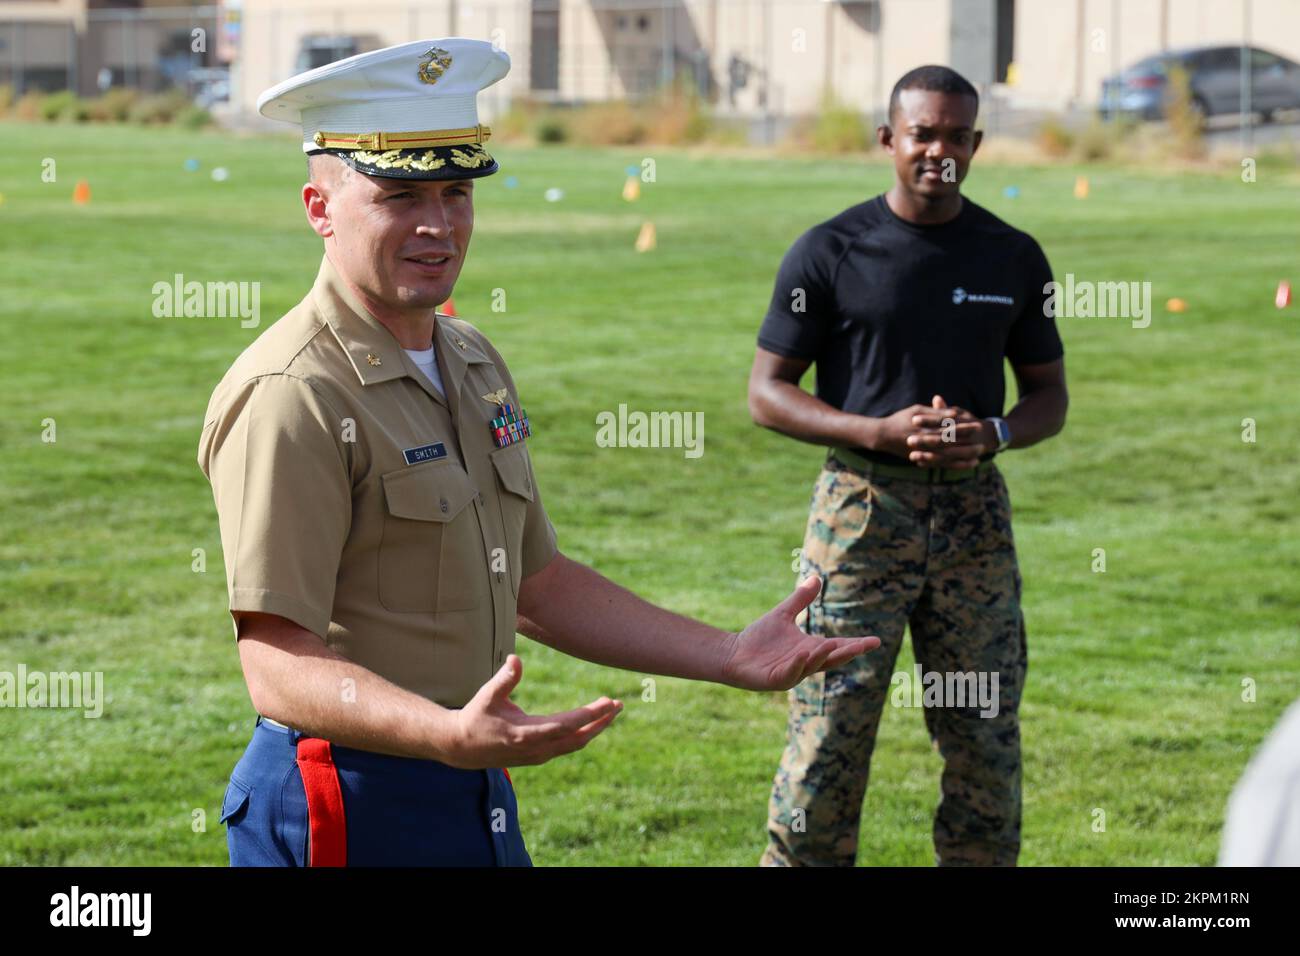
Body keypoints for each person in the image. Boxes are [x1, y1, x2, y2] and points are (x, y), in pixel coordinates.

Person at [197, 37, 878, 867]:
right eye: (400, 196)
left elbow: (537, 584)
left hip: (469, 781)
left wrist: (728, 654)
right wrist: (444, 733)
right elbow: (275, 662)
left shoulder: (471, 358)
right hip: (343, 795)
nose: (438, 224)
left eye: (456, 191)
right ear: (320, 208)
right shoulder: (294, 391)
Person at [749, 65, 1069, 866]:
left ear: (977, 144)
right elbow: (767, 393)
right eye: (923, 134)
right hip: (861, 514)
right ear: (889, 138)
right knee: (830, 726)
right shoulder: (828, 251)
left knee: (984, 734)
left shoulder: (1014, 257)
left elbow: (1049, 398)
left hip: (975, 524)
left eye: (957, 136)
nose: (940, 152)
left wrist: (992, 433)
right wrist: (877, 432)